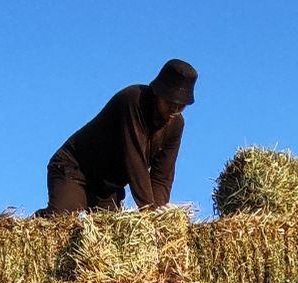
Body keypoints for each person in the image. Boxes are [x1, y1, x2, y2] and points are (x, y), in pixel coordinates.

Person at [37, 59, 197, 215]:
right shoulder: (134, 100)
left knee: (108, 237)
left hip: (107, 189)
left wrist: (160, 217)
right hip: (74, 170)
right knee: (62, 219)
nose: (174, 110)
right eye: (170, 103)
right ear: (157, 92)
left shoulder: (176, 125)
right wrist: (149, 211)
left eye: (181, 106)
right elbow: (135, 160)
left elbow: (162, 176)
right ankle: (32, 225)